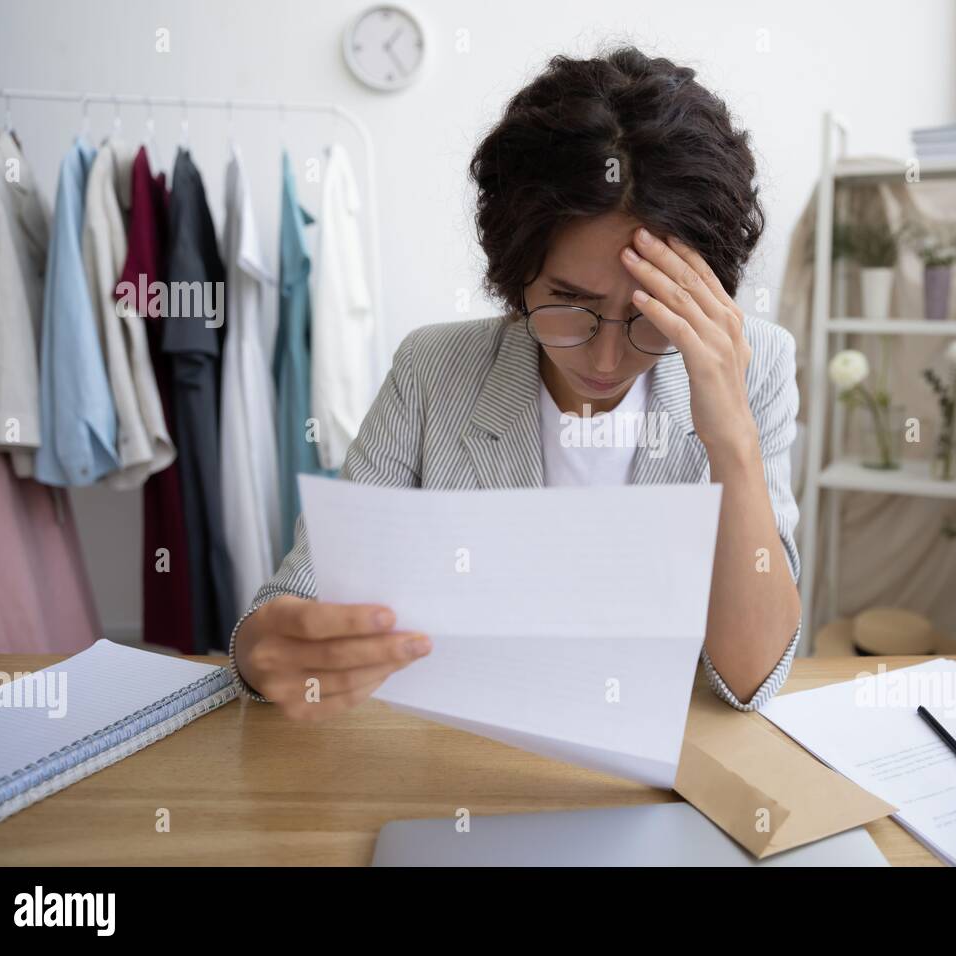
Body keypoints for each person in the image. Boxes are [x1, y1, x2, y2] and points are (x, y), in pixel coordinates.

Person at [230, 46, 802, 720]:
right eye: (570, 304)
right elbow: (297, 600)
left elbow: (751, 677)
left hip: (671, 769)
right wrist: (262, 650)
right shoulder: (433, 371)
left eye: (648, 317)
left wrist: (730, 437)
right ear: (517, 272)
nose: (607, 356)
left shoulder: (755, 363)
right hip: (466, 761)